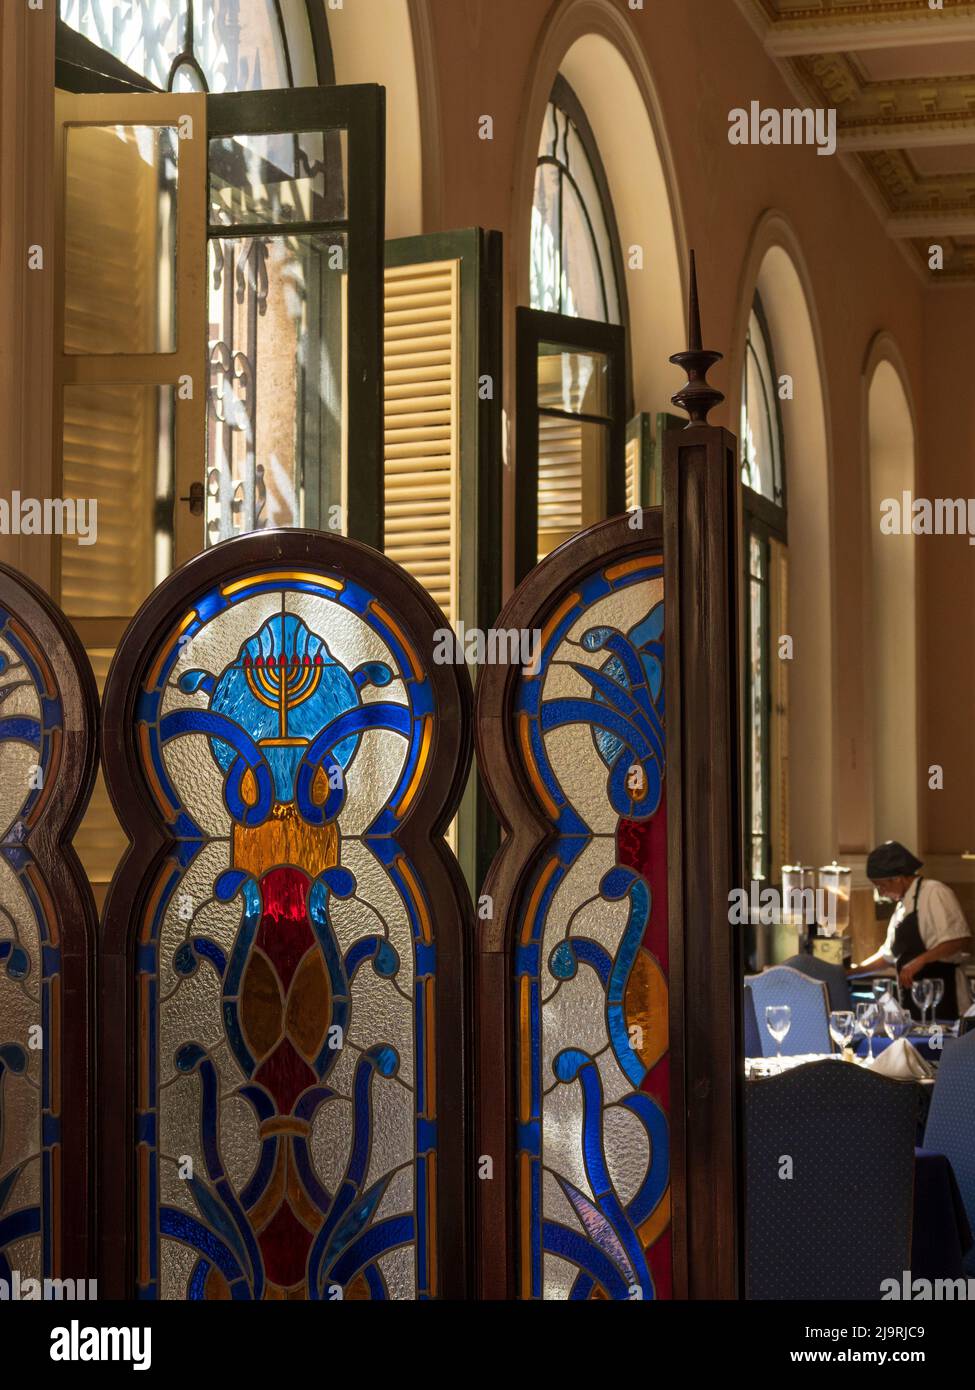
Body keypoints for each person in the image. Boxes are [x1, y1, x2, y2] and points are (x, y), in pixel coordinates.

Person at [848, 840, 973, 1020]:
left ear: (898, 878)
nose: (881, 893)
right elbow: (887, 956)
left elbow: (958, 940)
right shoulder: (902, 907)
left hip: (945, 1000)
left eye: (881, 885)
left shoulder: (934, 892)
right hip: (913, 1004)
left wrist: (920, 961)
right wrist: (852, 973)